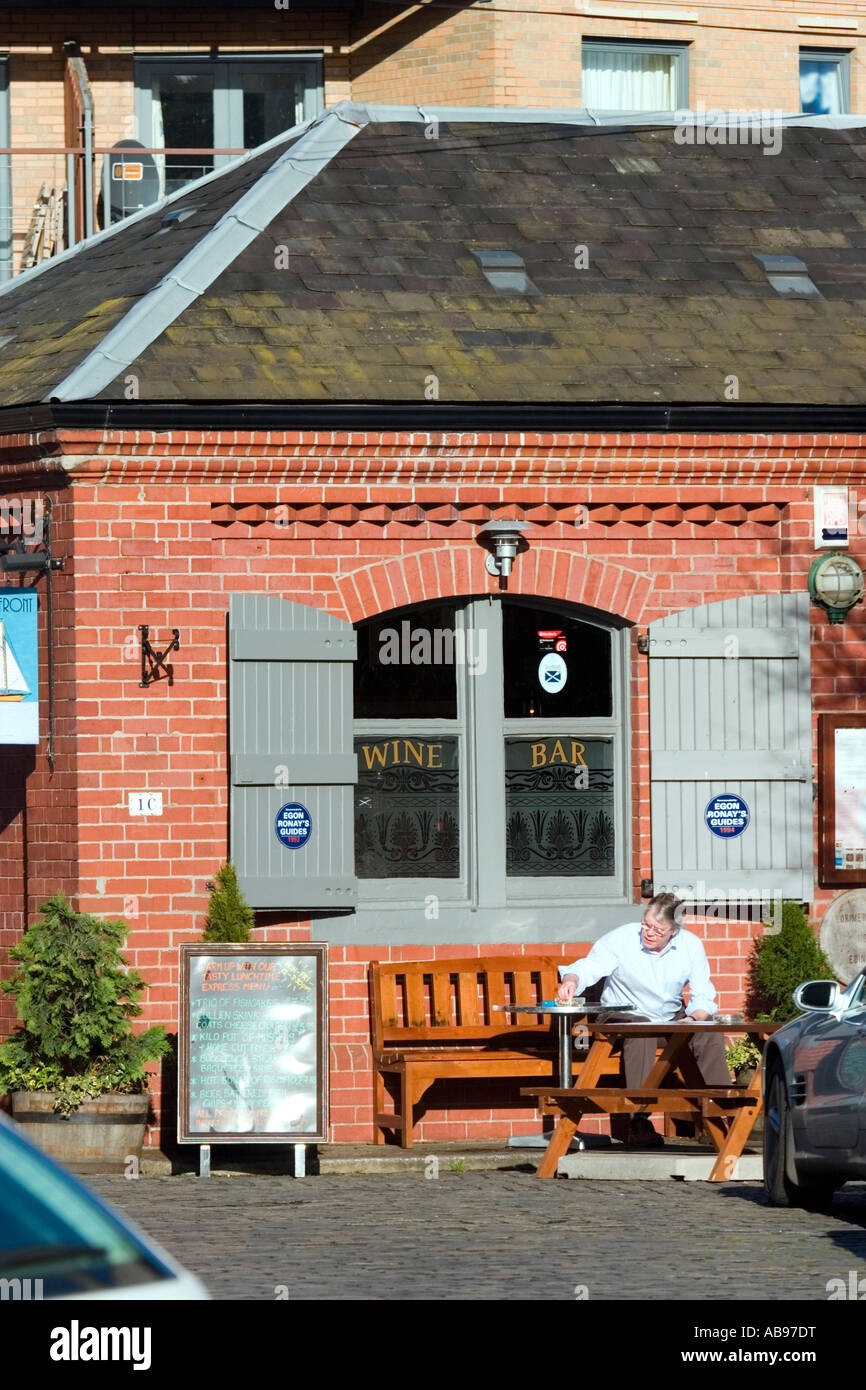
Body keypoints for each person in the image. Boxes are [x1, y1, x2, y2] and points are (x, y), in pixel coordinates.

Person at [556, 892, 731, 1147]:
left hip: (670, 1018)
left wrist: (695, 1017)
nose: (649, 932)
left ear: (674, 930)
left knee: (707, 1030)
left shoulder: (691, 945)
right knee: (642, 1029)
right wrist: (570, 981)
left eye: (658, 929)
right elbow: (587, 967)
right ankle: (638, 1120)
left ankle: (724, 1112)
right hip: (619, 1015)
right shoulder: (621, 938)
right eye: (646, 924)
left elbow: (703, 995)